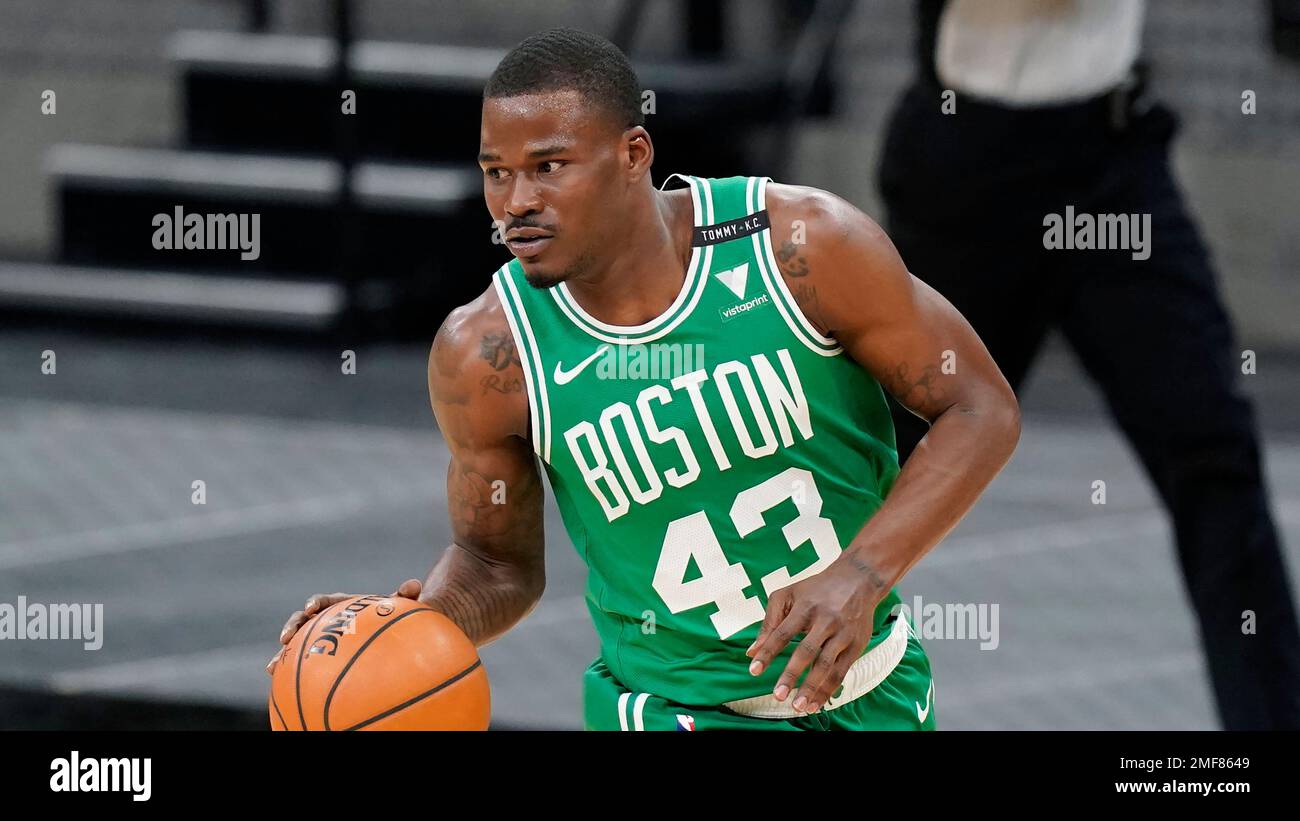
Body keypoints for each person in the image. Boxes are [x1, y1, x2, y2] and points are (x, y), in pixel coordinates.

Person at [269, 28, 1020, 730]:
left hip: (874, 685)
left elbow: (979, 405)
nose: (516, 203)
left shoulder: (800, 247)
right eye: (496, 174)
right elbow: (496, 562)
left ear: (633, 153)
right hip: (669, 709)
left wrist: (860, 571)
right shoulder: (488, 351)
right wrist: (407, 628)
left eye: (547, 167)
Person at [878, 0, 1300, 729]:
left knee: (1214, 454)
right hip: (974, 172)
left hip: (1111, 160)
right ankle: (748, 693)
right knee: (866, 460)